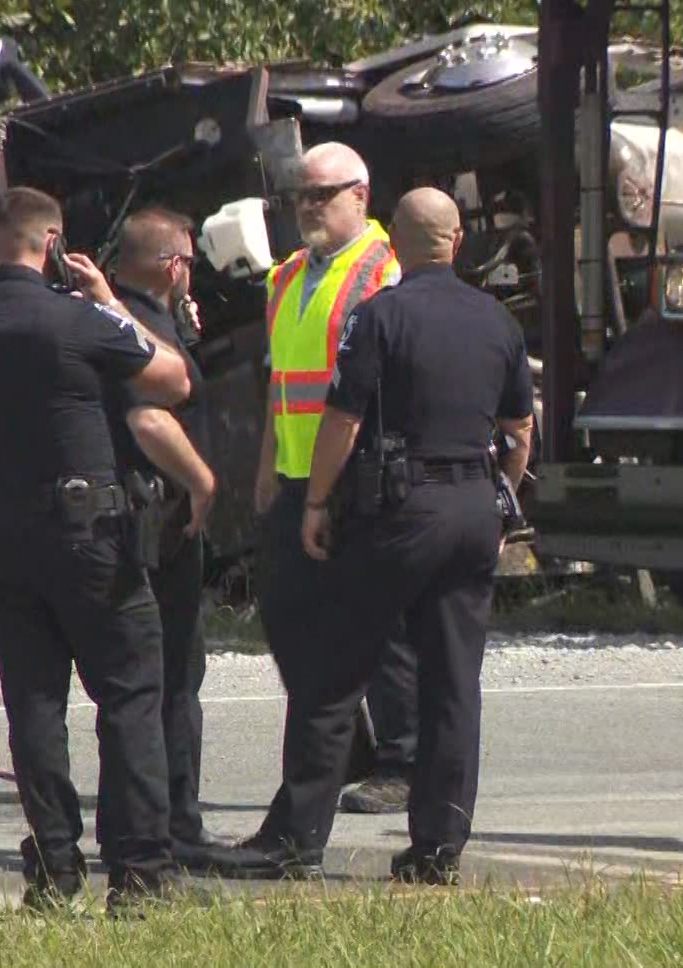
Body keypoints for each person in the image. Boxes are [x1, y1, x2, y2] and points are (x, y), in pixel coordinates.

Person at [0, 186, 195, 912]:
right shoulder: (80, 319)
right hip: (92, 535)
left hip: (4, 545)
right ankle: (140, 874)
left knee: (35, 707)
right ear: (53, 246)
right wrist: (108, 298)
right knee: (129, 695)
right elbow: (174, 379)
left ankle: (56, 869)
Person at [250, 185, 535, 883]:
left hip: (399, 510)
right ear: (457, 241)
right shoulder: (498, 321)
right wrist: (501, 502)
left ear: (398, 244)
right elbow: (520, 431)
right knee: (453, 683)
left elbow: (343, 422)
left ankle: (295, 841)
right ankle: (438, 848)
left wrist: (317, 502)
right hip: (472, 506)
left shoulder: (380, 315)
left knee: (334, 671)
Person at [241, 142, 416, 873]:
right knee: (290, 624)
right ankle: (348, 750)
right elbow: (281, 378)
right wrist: (267, 465)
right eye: (299, 196)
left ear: (360, 195)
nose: (308, 207)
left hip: (354, 477)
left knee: (379, 629)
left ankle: (402, 760)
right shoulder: (286, 276)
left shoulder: (383, 271)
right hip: (294, 472)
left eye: (322, 194)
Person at [99, 205, 268, 874]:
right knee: (172, 680)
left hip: (129, 520)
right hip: (162, 522)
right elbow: (149, 415)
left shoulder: (114, 318)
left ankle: (140, 823)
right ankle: (177, 827)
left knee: (139, 680)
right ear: (174, 266)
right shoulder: (137, 326)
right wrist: (201, 482)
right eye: (190, 263)